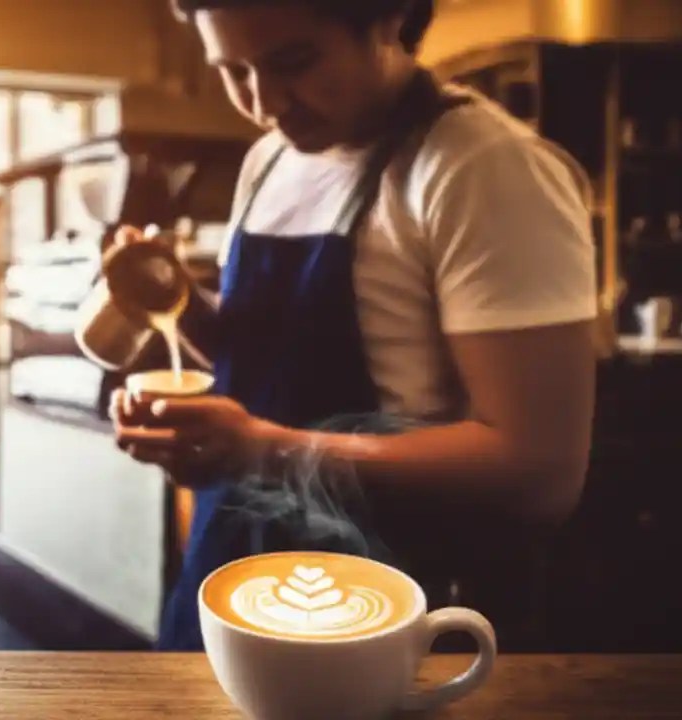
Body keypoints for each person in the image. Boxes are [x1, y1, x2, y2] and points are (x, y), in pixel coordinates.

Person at [110, 0, 596, 650]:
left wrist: (261, 450)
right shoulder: (268, 164)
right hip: (226, 580)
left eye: (293, 61)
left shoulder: (481, 167)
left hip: (378, 610)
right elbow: (270, 357)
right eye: (234, 71)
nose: (266, 102)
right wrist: (177, 305)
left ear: (388, 19)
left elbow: (537, 472)